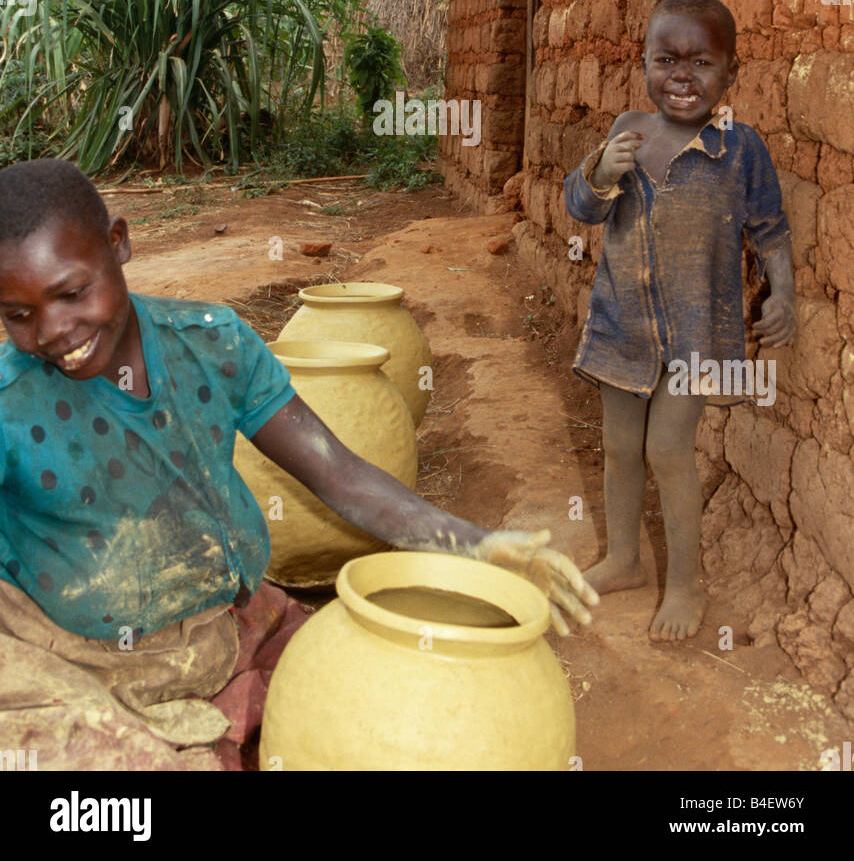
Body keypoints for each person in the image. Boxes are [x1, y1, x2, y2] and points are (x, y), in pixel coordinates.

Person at [0, 158, 598, 768]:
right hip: (67, 653)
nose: (53, 331)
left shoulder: (212, 343)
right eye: (17, 315)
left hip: (221, 623)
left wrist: (472, 544)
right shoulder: (9, 404)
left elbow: (338, 472)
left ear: (117, 243)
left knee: (362, 707)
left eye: (72, 292)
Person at [564, 0, 795, 643]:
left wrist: (783, 296)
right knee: (616, 448)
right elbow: (583, 209)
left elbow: (770, 229)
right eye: (666, 59)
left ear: (732, 74)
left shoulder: (739, 149)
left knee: (667, 448)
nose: (683, 76)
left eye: (703, 62)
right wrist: (598, 173)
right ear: (643, 63)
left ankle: (686, 582)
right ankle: (626, 559)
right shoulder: (626, 134)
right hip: (623, 328)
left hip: (699, 333)